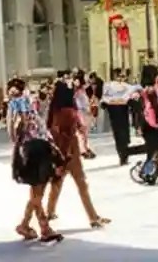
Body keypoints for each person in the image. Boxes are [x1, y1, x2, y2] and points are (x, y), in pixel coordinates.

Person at [45, 80, 110, 229]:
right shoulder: (68, 111)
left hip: (57, 149)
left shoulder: (54, 110)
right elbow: (69, 134)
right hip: (70, 151)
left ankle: (49, 211)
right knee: (81, 184)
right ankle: (92, 216)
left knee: (57, 183)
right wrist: (68, 153)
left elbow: (53, 130)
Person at [8, 78, 63, 243]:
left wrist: (17, 140)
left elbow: (19, 124)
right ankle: (42, 228)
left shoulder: (16, 103)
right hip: (38, 146)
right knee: (38, 188)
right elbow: (27, 121)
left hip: (33, 146)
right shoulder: (24, 100)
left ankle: (29, 225)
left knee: (36, 189)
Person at [100, 68, 136, 165]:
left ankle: (125, 154)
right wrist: (107, 103)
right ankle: (121, 155)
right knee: (118, 135)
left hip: (123, 111)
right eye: (118, 75)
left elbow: (132, 97)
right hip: (114, 112)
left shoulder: (127, 86)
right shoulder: (108, 85)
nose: (120, 78)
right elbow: (104, 98)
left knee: (125, 134)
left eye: (122, 76)